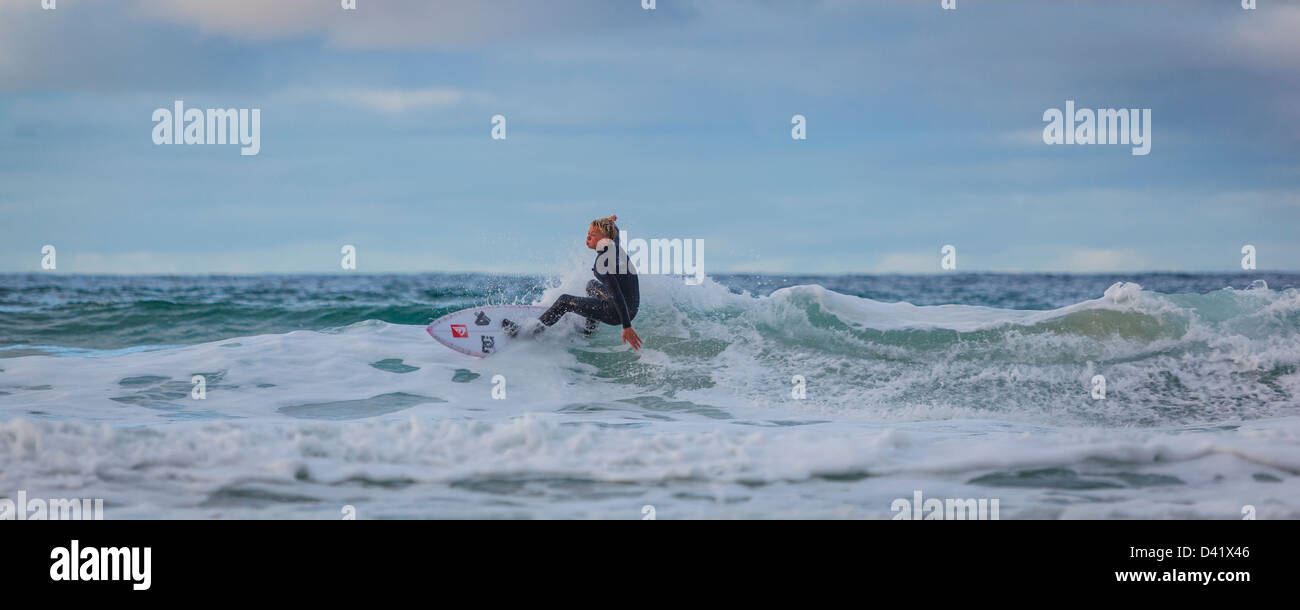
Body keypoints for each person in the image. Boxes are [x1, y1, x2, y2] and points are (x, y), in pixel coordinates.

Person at [502, 215, 643, 350]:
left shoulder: (603, 263)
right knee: (591, 285)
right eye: (588, 233)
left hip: (617, 312)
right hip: (631, 306)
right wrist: (609, 222)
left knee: (564, 301)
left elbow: (616, 294)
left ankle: (528, 334)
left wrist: (627, 327)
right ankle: (589, 329)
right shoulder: (614, 244)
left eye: (593, 235)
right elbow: (615, 232)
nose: (587, 237)